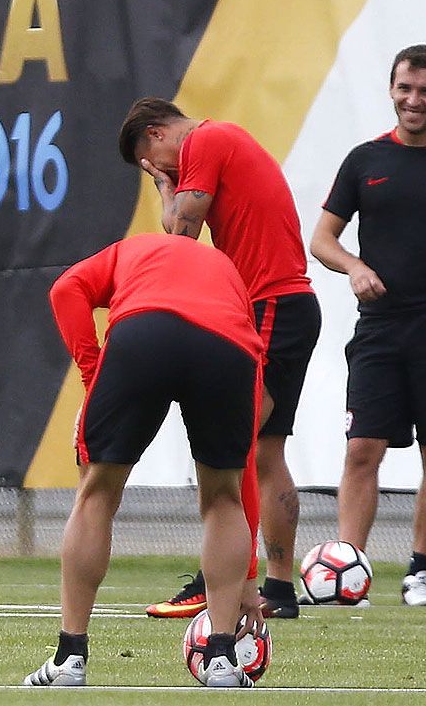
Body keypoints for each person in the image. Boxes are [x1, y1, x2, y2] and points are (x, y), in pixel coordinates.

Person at [25, 233, 264, 688]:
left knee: (96, 494)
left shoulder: (129, 250)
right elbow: (246, 467)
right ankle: (221, 659)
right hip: (227, 344)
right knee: (223, 498)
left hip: (143, 332)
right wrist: (248, 576)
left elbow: (65, 290)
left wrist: (91, 367)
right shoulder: (228, 272)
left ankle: (69, 658)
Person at [118, 98, 321, 619]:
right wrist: (169, 189)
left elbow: (181, 234)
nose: (166, 171)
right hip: (283, 304)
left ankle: (225, 580)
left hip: (270, 303)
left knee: (234, 447)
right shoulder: (221, 143)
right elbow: (182, 230)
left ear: (159, 133)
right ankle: (276, 589)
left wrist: (169, 190)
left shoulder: (206, 140)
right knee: (263, 452)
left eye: (156, 160)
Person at [310, 44, 426, 607]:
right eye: (405, 89)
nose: (414, 101)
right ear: (392, 90)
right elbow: (321, 239)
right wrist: (356, 267)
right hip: (379, 330)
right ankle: (350, 572)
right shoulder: (365, 160)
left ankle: (419, 574)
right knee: (362, 449)